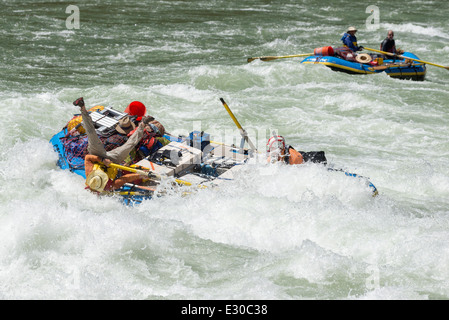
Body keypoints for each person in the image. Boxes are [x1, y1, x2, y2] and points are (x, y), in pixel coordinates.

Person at [73, 97, 151, 192]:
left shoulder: (89, 173)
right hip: (113, 160)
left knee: (91, 133)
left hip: (97, 154)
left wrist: (102, 160)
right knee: (129, 145)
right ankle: (142, 125)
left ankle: (82, 108)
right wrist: (141, 174)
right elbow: (125, 179)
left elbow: (88, 158)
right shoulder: (109, 187)